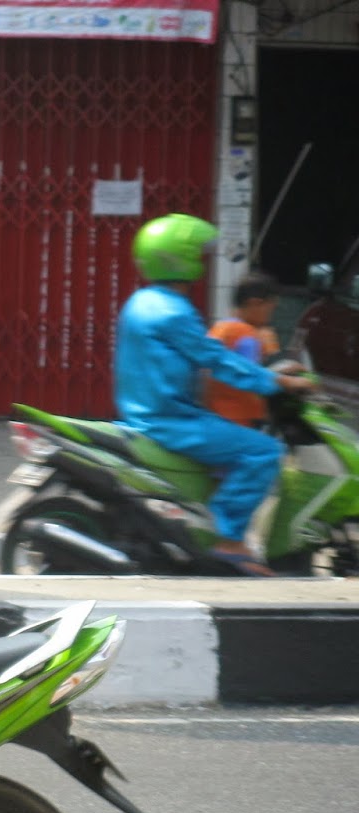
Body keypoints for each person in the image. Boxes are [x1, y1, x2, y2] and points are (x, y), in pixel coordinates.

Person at [115, 214, 316, 577]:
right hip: (172, 420)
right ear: (182, 258)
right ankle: (229, 540)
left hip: (151, 412)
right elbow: (219, 362)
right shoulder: (173, 311)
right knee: (263, 450)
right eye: (199, 255)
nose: (204, 262)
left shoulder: (142, 301)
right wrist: (279, 383)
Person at [204, 272, 282, 428]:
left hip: (212, 415)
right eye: (270, 309)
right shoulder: (246, 335)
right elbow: (252, 379)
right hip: (238, 420)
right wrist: (287, 380)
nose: (270, 315)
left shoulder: (219, 328)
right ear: (254, 303)